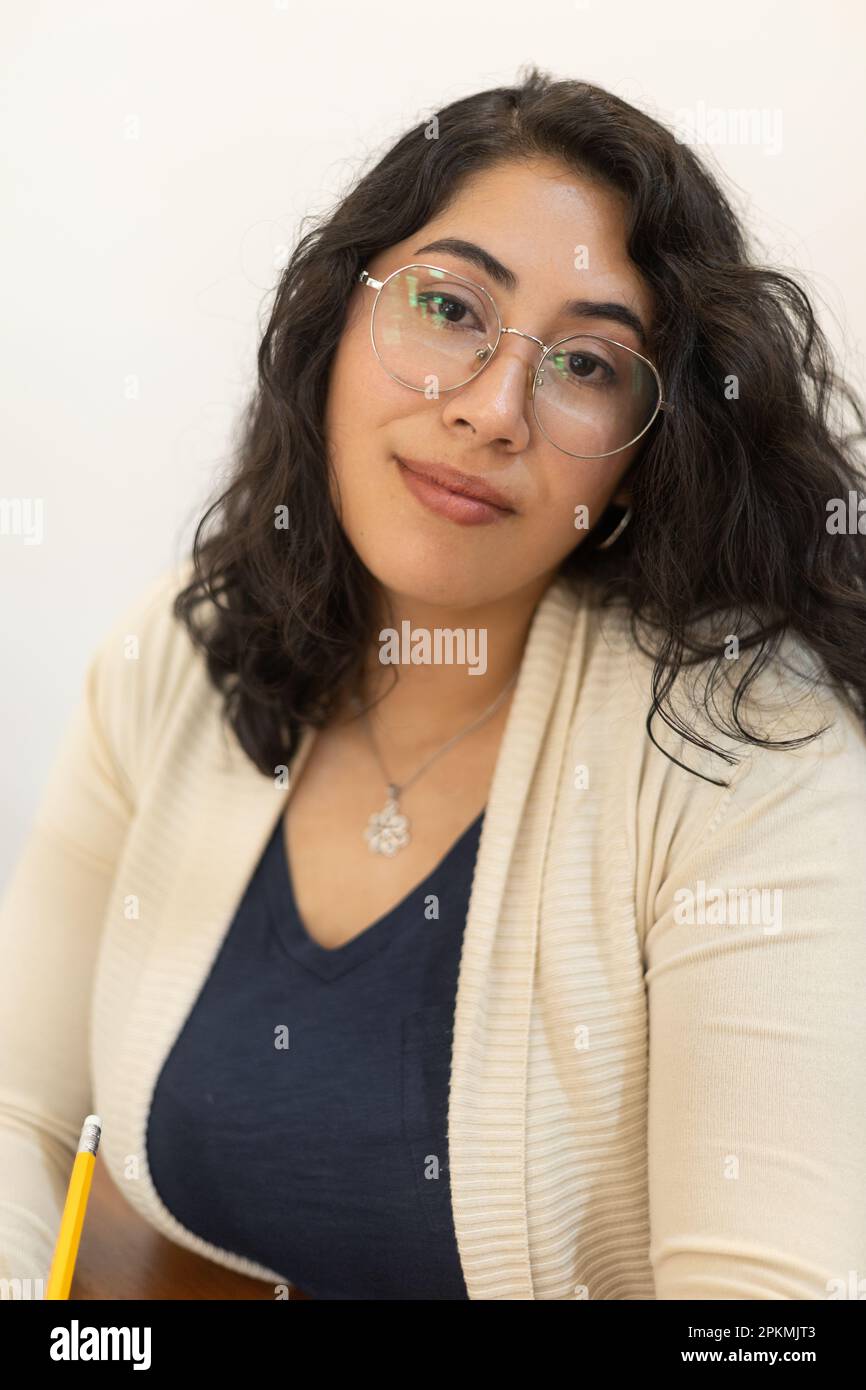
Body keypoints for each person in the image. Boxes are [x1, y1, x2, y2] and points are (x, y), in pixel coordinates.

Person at [2, 66, 866, 1301]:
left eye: (585, 364)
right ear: (333, 326)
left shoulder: (745, 748)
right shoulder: (179, 656)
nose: (491, 410)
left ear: (633, 462)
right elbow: (17, 1111)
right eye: (449, 307)